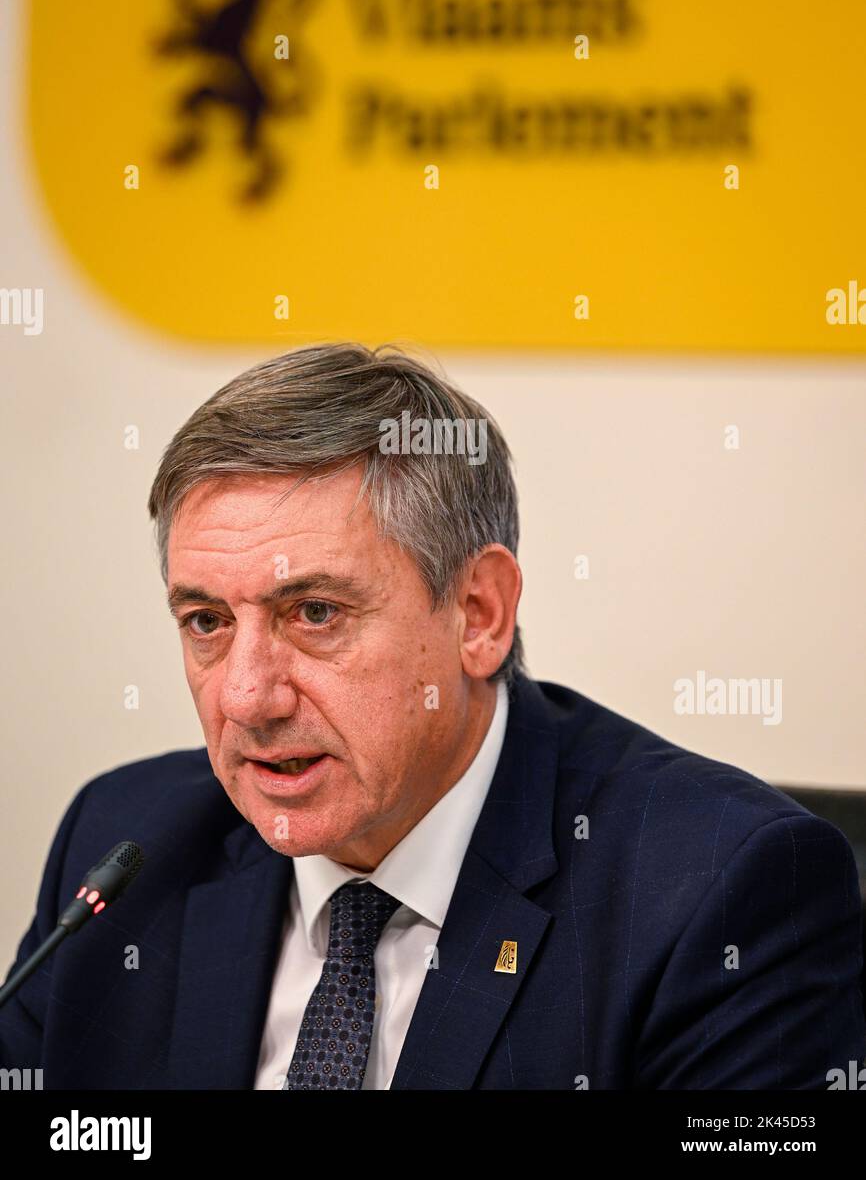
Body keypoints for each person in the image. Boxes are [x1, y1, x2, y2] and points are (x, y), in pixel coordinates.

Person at [1, 342, 863, 1089]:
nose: (246, 697)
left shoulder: (717, 893)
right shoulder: (124, 849)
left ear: (478, 613)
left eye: (315, 614)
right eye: (207, 624)